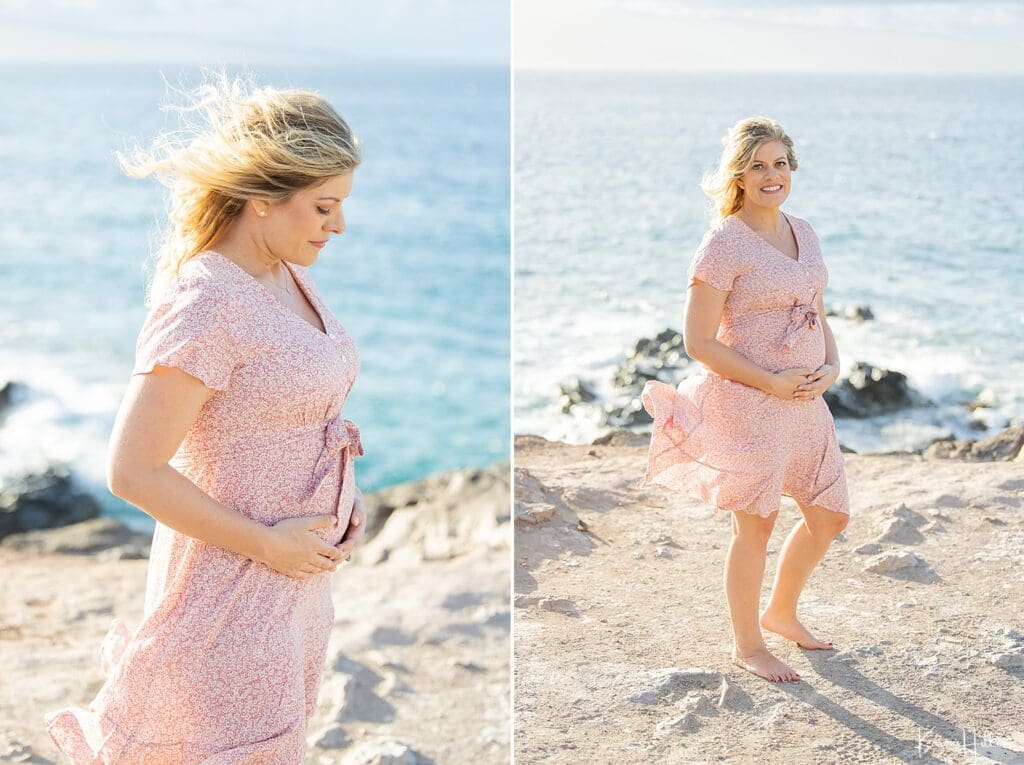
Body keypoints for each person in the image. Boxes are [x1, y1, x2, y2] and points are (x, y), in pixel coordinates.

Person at [44, 70, 367, 761]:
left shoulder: (285, 272)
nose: (339, 224)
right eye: (323, 206)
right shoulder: (207, 301)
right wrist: (270, 543)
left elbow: (290, 412)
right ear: (260, 198)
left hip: (292, 597)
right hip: (226, 601)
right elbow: (132, 470)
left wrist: (343, 494)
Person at [637, 116, 850, 684]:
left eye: (780, 163)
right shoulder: (723, 243)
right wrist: (770, 382)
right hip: (750, 406)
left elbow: (816, 308)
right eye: (758, 166)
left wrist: (832, 364)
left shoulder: (804, 230)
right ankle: (748, 644)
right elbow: (699, 341)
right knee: (754, 527)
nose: (771, 175)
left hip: (807, 404)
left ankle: (781, 613)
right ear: (738, 174)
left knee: (829, 517)